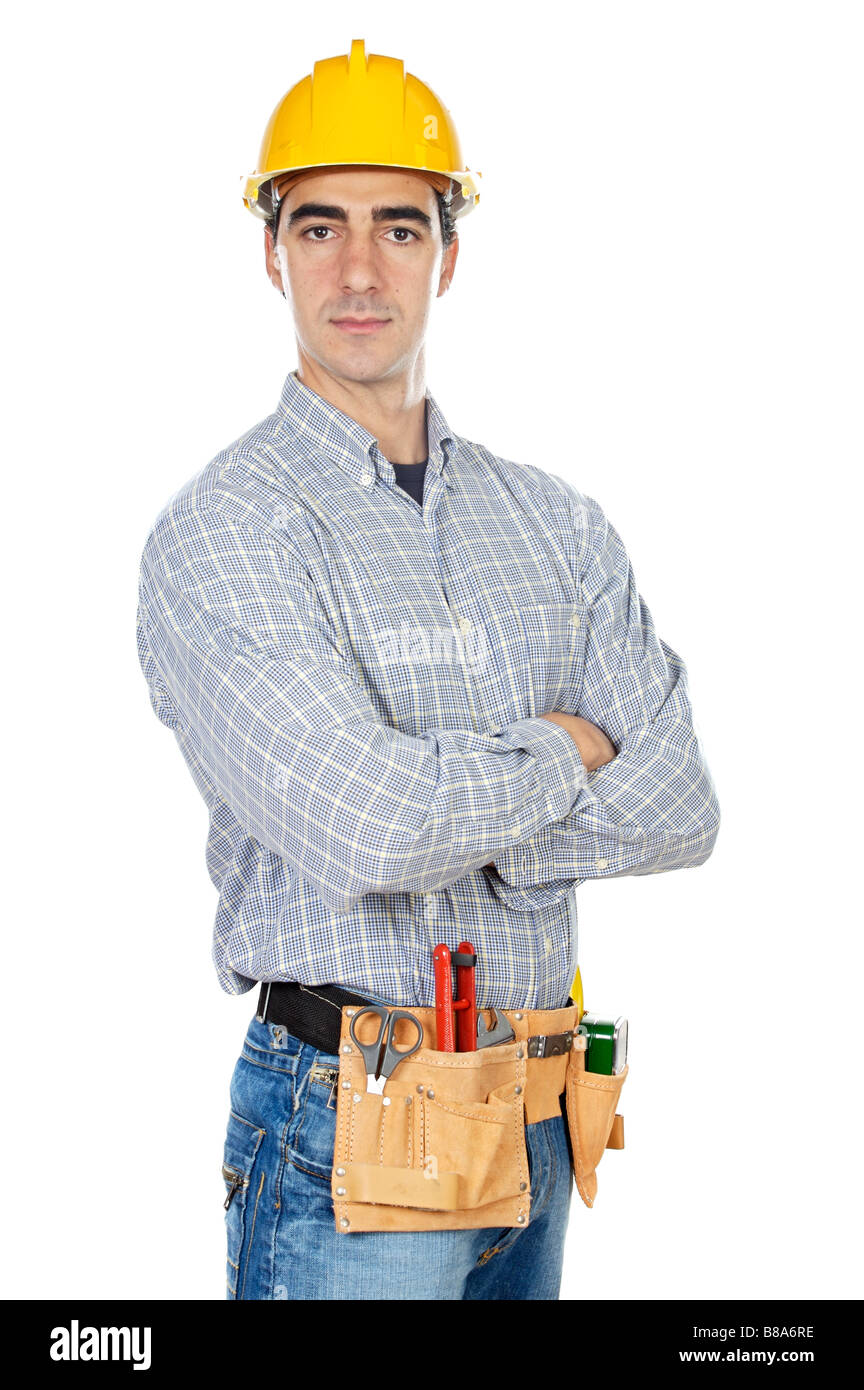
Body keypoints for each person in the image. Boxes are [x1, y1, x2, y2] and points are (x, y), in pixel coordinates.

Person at [135, 38, 720, 1300]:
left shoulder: (556, 523)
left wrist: (460, 813)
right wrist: (563, 750)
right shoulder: (225, 531)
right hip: (354, 1119)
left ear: (449, 255)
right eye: (320, 227)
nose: (358, 270)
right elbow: (371, 827)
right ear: (273, 250)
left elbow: (682, 807)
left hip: (544, 1107)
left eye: (399, 229)